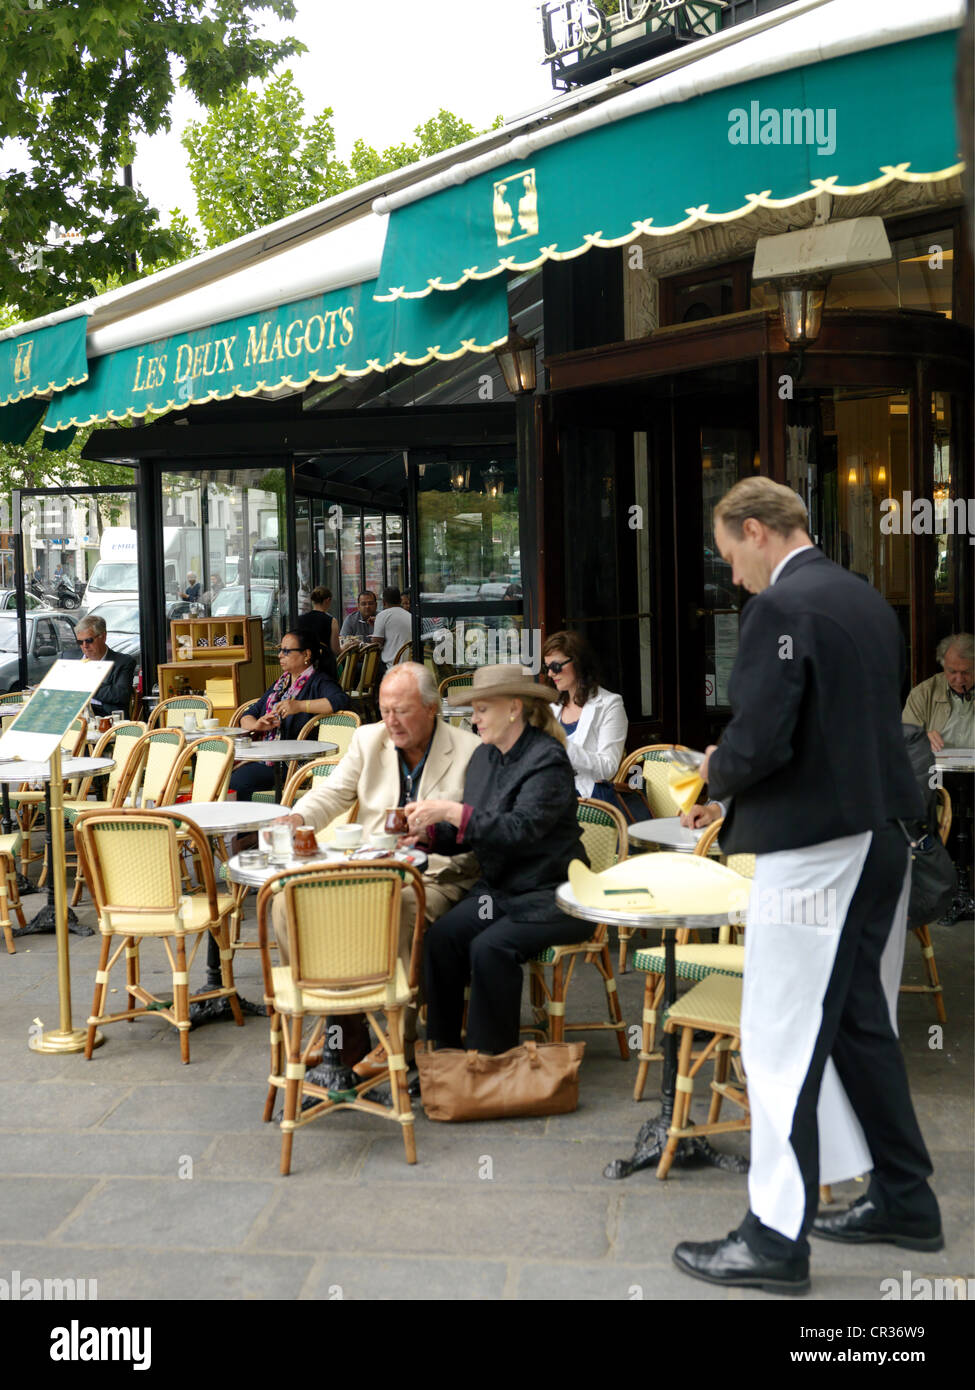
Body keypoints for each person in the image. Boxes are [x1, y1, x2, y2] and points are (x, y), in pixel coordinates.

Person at [672, 477, 941, 1297]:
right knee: (859, 1023)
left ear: (755, 531)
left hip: (812, 846)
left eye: (731, 559)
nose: (734, 579)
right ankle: (904, 1199)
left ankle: (772, 1238)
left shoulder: (779, 609)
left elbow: (762, 736)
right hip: (878, 835)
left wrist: (718, 772)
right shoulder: (861, 598)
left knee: (780, 1037)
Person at [275, 662, 480, 1083]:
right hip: (366, 868)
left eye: (401, 711)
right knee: (286, 902)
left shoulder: (469, 751)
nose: (391, 720)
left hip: (434, 877)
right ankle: (338, 1025)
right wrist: (296, 818)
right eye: (385, 709)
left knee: (400, 909)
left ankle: (397, 1042)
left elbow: (478, 833)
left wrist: (433, 835)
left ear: (430, 708)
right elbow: (332, 792)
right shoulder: (369, 739)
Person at [410, 664, 592, 1056]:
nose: (473, 720)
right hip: (502, 893)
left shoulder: (548, 760)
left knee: (489, 948)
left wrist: (453, 813)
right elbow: (477, 831)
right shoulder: (484, 759)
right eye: (473, 711)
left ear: (513, 708)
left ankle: (489, 1061)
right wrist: (429, 835)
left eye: (481, 710)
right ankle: (442, 1053)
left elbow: (519, 829)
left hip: (555, 896)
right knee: (441, 937)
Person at [230, 630, 349, 802]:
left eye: (286, 651)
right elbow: (249, 714)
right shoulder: (281, 684)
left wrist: (300, 706)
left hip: (293, 763)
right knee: (222, 774)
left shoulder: (319, 682)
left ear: (306, 654)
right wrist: (257, 725)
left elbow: (341, 700)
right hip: (269, 757)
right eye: (280, 650)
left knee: (238, 783)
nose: (279, 655)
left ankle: (258, 824)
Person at [542, 630, 628, 811]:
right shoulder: (553, 706)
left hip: (589, 799)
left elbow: (608, 768)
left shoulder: (609, 704)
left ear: (578, 663)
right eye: (547, 668)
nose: (550, 673)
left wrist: (562, 746)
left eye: (556, 667)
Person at [903, 633, 973, 753]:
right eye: (952, 671)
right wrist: (921, 741)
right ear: (943, 666)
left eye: (966, 672)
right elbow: (902, 741)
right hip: (935, 770)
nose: (959, 679)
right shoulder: (923, 694)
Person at [76, 615, 137, 718]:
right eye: (80, 642)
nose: (85, 645)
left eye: (89, 640)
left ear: (103, 637)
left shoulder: (123, 662)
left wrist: (87, 686)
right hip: (74, 716)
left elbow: (121, 695)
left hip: (107, 719)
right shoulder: (69, 658)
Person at [372, 585, 412, 667]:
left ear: (383, 602)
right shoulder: (409, 615)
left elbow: (376, 644)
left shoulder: (382, 615)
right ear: (400, 600)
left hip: (391, 665)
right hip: (410, 664)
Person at [296, 586, 340, 658]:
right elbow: (336, 650)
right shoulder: (332, 621)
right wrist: (346, 646)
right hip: (325, 664)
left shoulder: (300, 619)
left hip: (306, 662)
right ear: (328, 600)